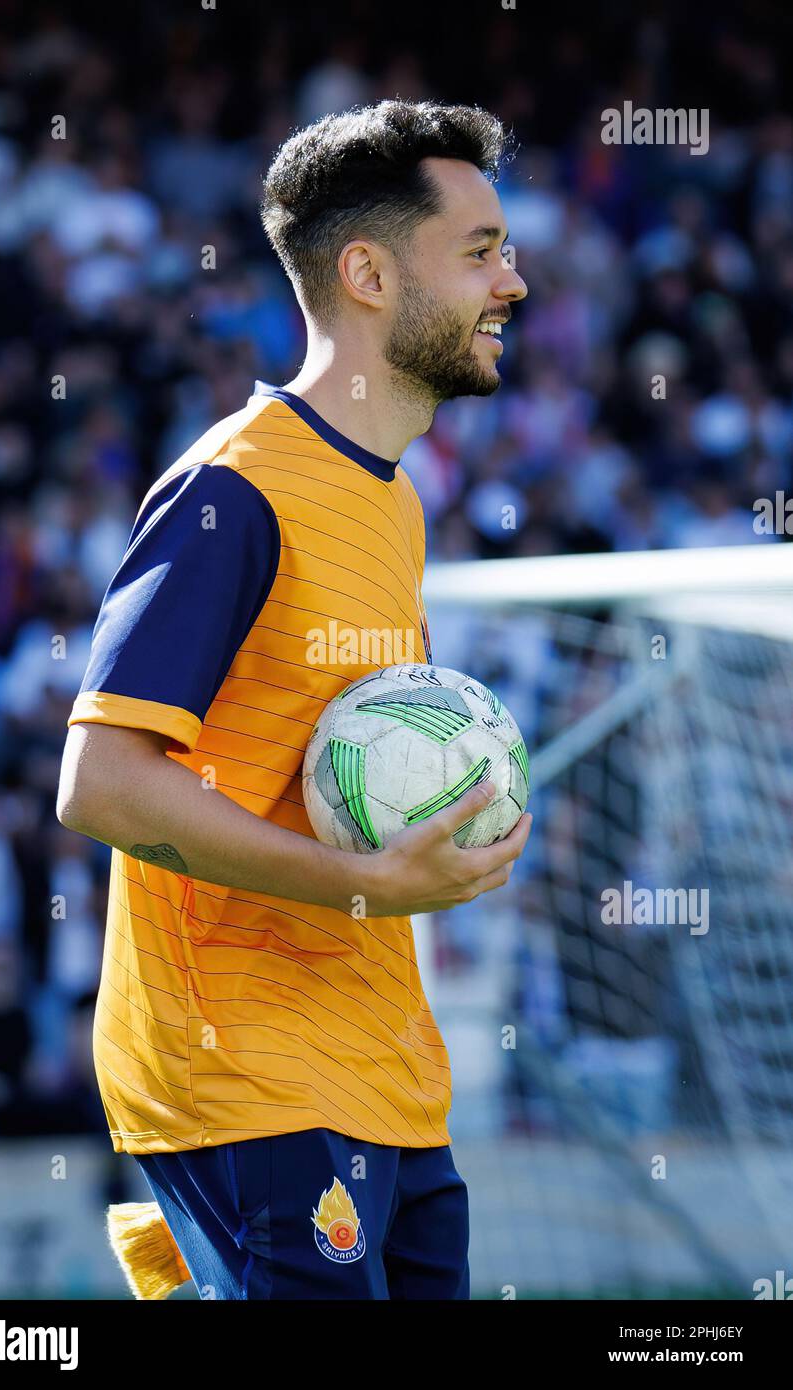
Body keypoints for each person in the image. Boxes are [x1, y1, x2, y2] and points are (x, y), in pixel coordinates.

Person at [57, 99, 531, 1301]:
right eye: (479, 252)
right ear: (367, 272)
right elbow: (101, 784)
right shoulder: (234, 490)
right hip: (246, 1078)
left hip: (386, 1073)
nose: (512, 283)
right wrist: (370, 882)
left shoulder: (393, 500)